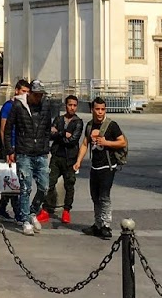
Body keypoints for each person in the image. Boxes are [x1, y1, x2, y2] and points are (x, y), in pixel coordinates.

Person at [77, 97, 127, 239]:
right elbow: (85, 144)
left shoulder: (111, 125)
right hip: (95, 166)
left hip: (108, 166)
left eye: (102, 109)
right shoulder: (89, 125)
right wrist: (78, 161)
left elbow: (122, 142)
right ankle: (97, 224)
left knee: (104, 196)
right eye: (97, 109)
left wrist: (106, 142)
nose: (100, 112)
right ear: (92, 110)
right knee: (95, 196)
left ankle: (106, 225)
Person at [9, 82, 51, 235]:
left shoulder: (46, 105)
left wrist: (45, 147)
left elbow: (47, 128)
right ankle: (26, 220)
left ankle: (32, 212)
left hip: (40, 152)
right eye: (36, 95)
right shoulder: (19, 105)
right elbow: (8, 128)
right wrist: (9, 150)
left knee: (44, 187)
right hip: (24, 152)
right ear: (30, 94)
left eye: (41, 95)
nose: (39, 98)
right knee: (25, 187)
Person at [39, 93, 84, 226]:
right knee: (49, 183)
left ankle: (66, 211)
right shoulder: (58, 119)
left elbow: (72, 141)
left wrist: (58, 134)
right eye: (70, 105)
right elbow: (50, 135)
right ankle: (46, 209)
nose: (72, 108)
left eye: (74, 105)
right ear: (66, 106)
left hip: (70, 158)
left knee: (69, 184)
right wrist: (63, 133)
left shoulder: (78, 122)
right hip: (57, 156)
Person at [0, 79, 29, 224]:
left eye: (28, 92)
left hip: (21, 146)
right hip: (11, 147)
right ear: (16, 91)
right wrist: (7, 149)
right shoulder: (9, 106)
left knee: (12, 179)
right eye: (23, 91)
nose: (26, 94)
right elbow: (3, 128)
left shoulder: (23, 106)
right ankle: (17, 212)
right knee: (14, 180)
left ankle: (2, 209)